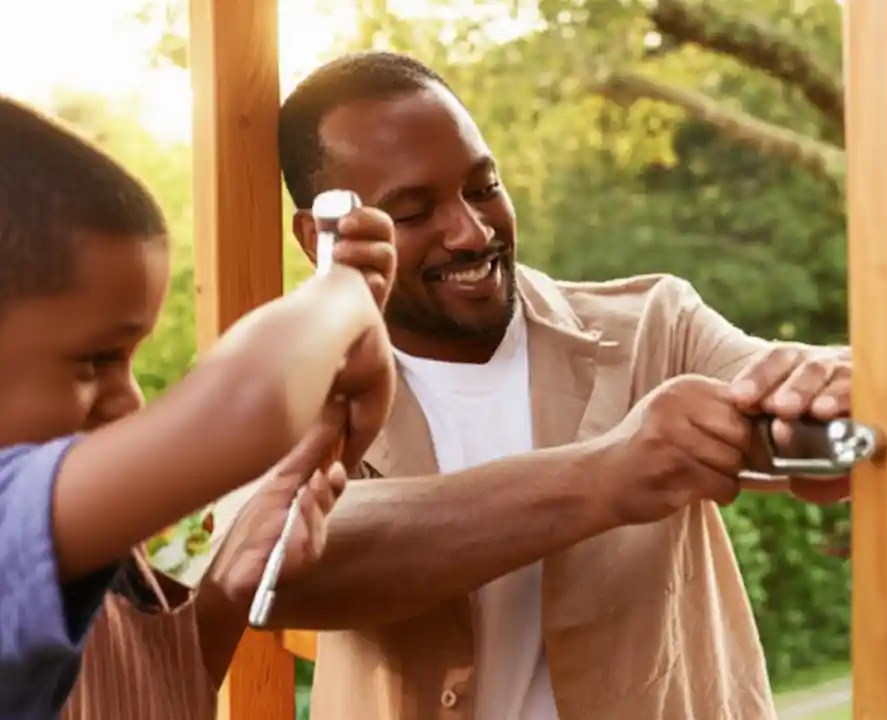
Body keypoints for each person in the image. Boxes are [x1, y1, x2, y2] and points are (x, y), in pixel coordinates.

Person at [209, 50, 852, 720]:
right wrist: (606, 475)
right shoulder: (300, 391)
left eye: (482, 187)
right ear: (320, 236)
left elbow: (809, 412)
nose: (471, 230)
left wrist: (835, 393)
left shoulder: (657, 330)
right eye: (413, 210)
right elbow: (271, 562)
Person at [0, 96, 396, 719]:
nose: (130, 396)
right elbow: (248, 403)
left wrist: (231, 585)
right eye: (94, 361)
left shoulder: (81, 543)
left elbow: (136, 697)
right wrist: (341, 296)